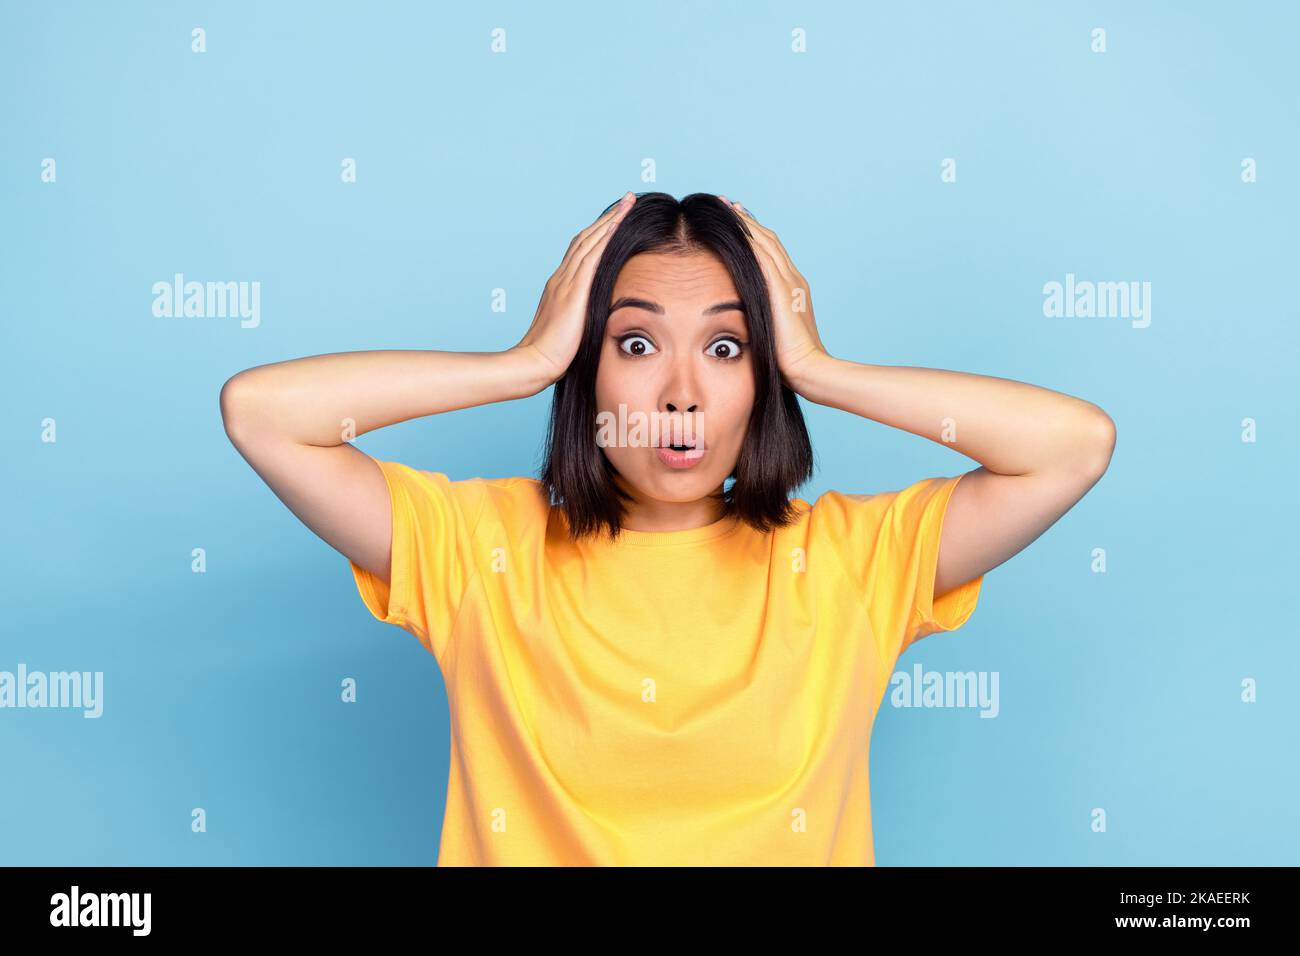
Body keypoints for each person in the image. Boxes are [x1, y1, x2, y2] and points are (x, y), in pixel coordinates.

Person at [219, 191, 1115, 865]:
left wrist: (816, 365)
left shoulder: (851, 562)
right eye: (637, 344)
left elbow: (1073, 446)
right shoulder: (479, 549)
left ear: (761, 379)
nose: (681, 392)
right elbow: (261, 413)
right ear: (589, 369)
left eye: (726, 349)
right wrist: (521, 363)